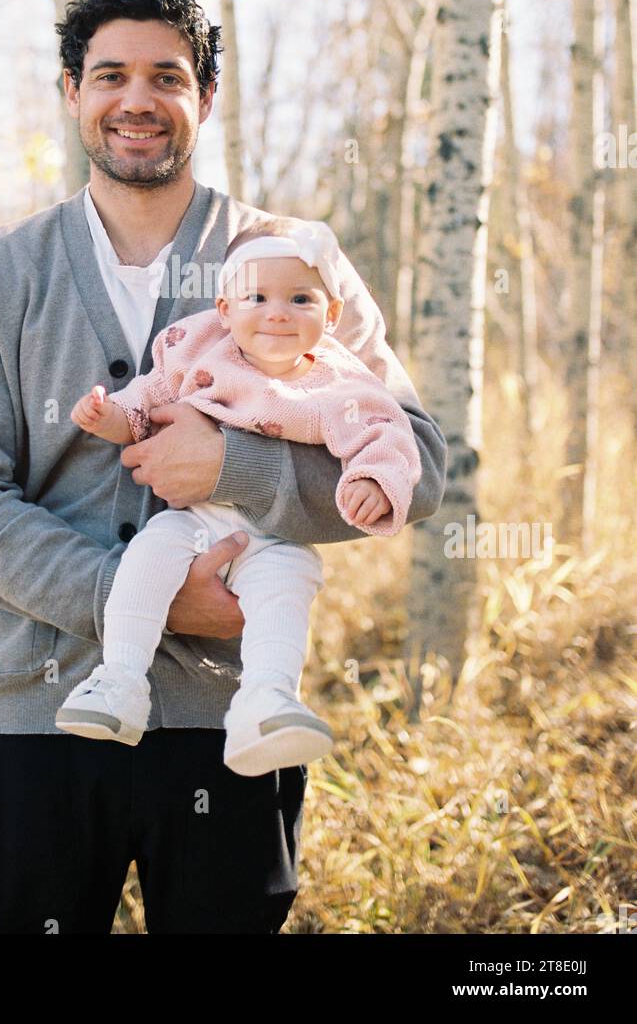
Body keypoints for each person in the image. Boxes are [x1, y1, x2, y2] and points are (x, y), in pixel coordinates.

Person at [0, 0, 447, 934]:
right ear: (71, 93)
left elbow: (413, 460)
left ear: (204, 97)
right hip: (42, 718)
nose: (136, 100)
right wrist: (146, 597)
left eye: (166, 76)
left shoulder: (295, 264)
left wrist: (236, 472)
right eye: (109, 74)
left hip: (227, 726)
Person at [55, 216, 422, 777]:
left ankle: (267, 701)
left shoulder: (337, 382)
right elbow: (146, 401)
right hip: (194, 520)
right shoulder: (201, 355)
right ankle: (120, 680)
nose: (277, 312)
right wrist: (109, 417)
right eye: (257, 297)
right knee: (147, 558)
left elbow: (386, 434)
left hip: (278, 534)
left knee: (285, 591)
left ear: (330, 315)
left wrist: (374, 479)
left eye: (300, 299)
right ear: (225, 310)